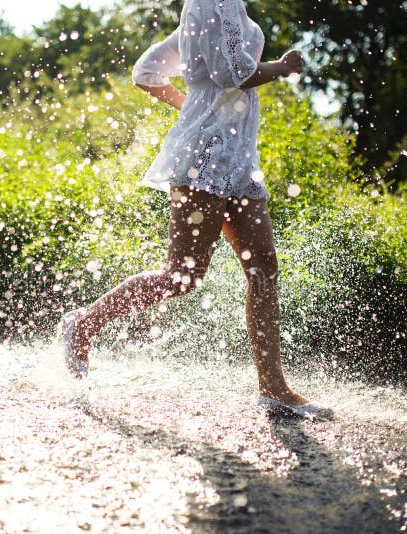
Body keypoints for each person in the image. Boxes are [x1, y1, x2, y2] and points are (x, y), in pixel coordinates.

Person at [59, 0, 333, 419]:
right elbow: (230, 75)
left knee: (263, 266)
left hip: (239, 160)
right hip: (202, 160)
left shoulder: (228, 9)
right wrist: (280, 67)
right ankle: (83, 324)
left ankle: (273, 387)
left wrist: (193, 106)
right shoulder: (209, 3)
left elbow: (148, 69)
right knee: (182, 276)